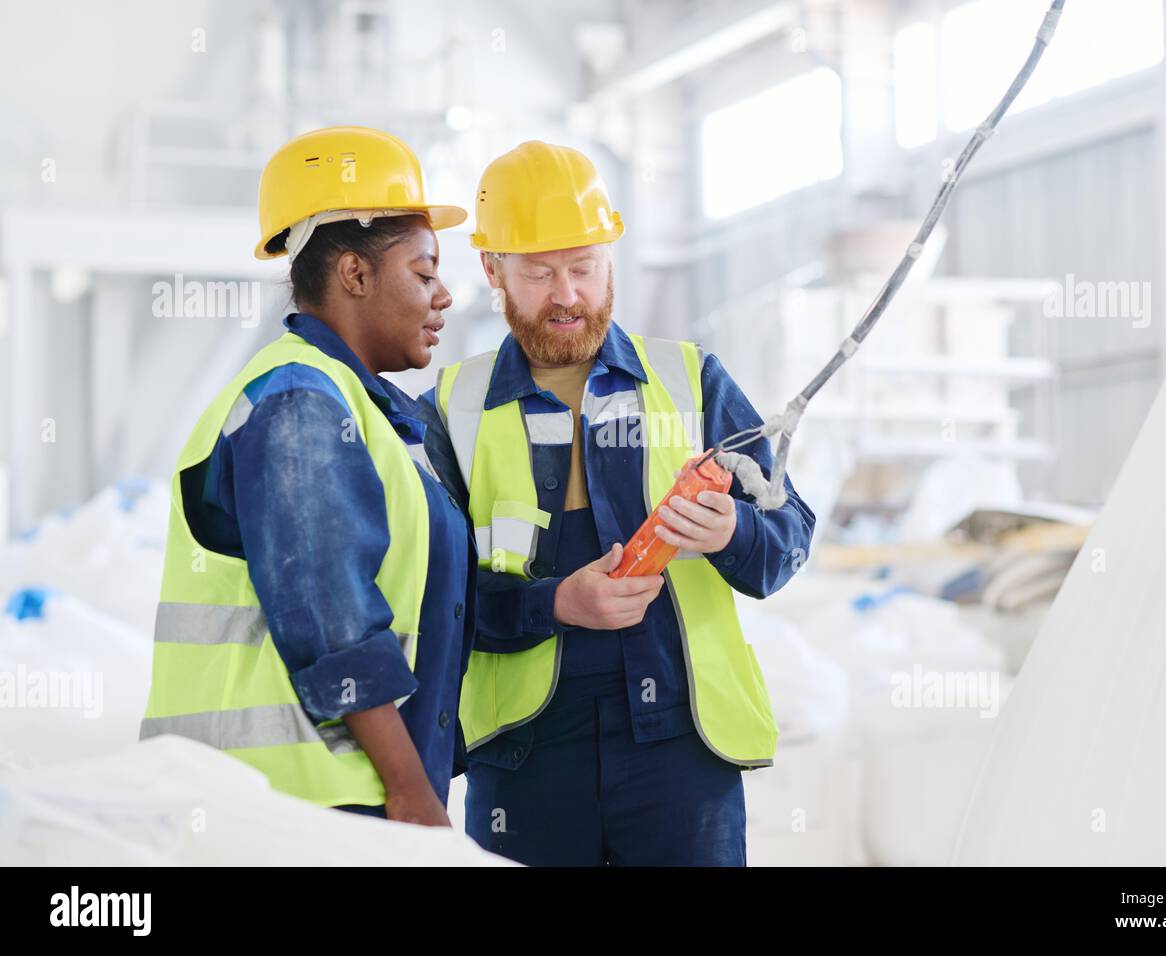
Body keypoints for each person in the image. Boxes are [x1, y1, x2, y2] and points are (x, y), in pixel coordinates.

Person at [420, 141, 815, 864]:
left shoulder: (692, 381)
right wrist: (556, 605)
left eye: (585, 266)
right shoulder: (452, 409)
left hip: (682, 757)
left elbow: (789, 542)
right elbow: (428, 598)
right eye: (539, 272)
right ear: (491, 269)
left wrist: (733, 532)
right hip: (526, 762)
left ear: (611, 256)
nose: (567, 293)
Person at [140, 126, 474, 826]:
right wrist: (410, 790)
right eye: (423, 272)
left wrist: (562, 602)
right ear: (354, 274)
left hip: (327, 796)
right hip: (287, 805)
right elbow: (333, 623)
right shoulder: (298, 402)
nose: (443, 296)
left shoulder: (376, 414)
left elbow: (429, 598)